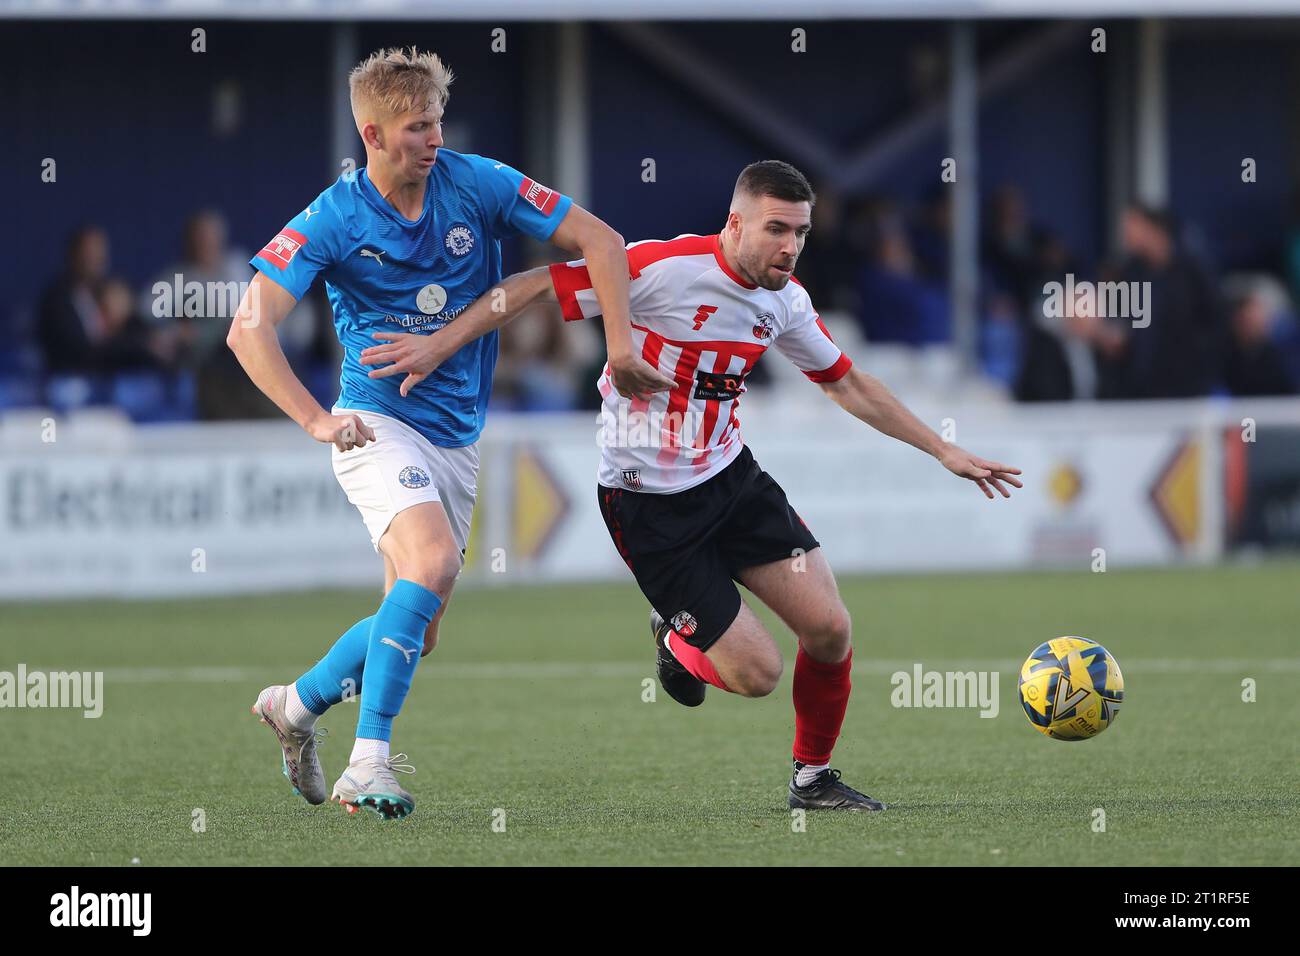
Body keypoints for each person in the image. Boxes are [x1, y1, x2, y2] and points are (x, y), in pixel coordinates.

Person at [359, 160, 1022, 812]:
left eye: (800, 232)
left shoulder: (785, 303)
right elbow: (534, 284)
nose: (790, 247)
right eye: (775, 230)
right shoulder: (661, 270)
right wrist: (440, 343)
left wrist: (941, 448)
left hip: (732, 481)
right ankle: (674, 639)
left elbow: (846, 382)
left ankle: (813, 780)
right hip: (647, 506)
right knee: (758, 675)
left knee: (829, 631)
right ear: (735, 223)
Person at [226, 47, 672, 820]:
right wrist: (316, 418)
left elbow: (603, 244)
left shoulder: (480, 182)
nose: (434, 139)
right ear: (372, 132)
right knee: (430, 562)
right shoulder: (334, 217)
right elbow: (248, 327)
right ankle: (370, 766)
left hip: (458, 435)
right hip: (375, 424)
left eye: (437, 122)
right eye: (417, 127)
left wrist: (622, 347)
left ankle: (294, 708)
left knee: (418, 627)